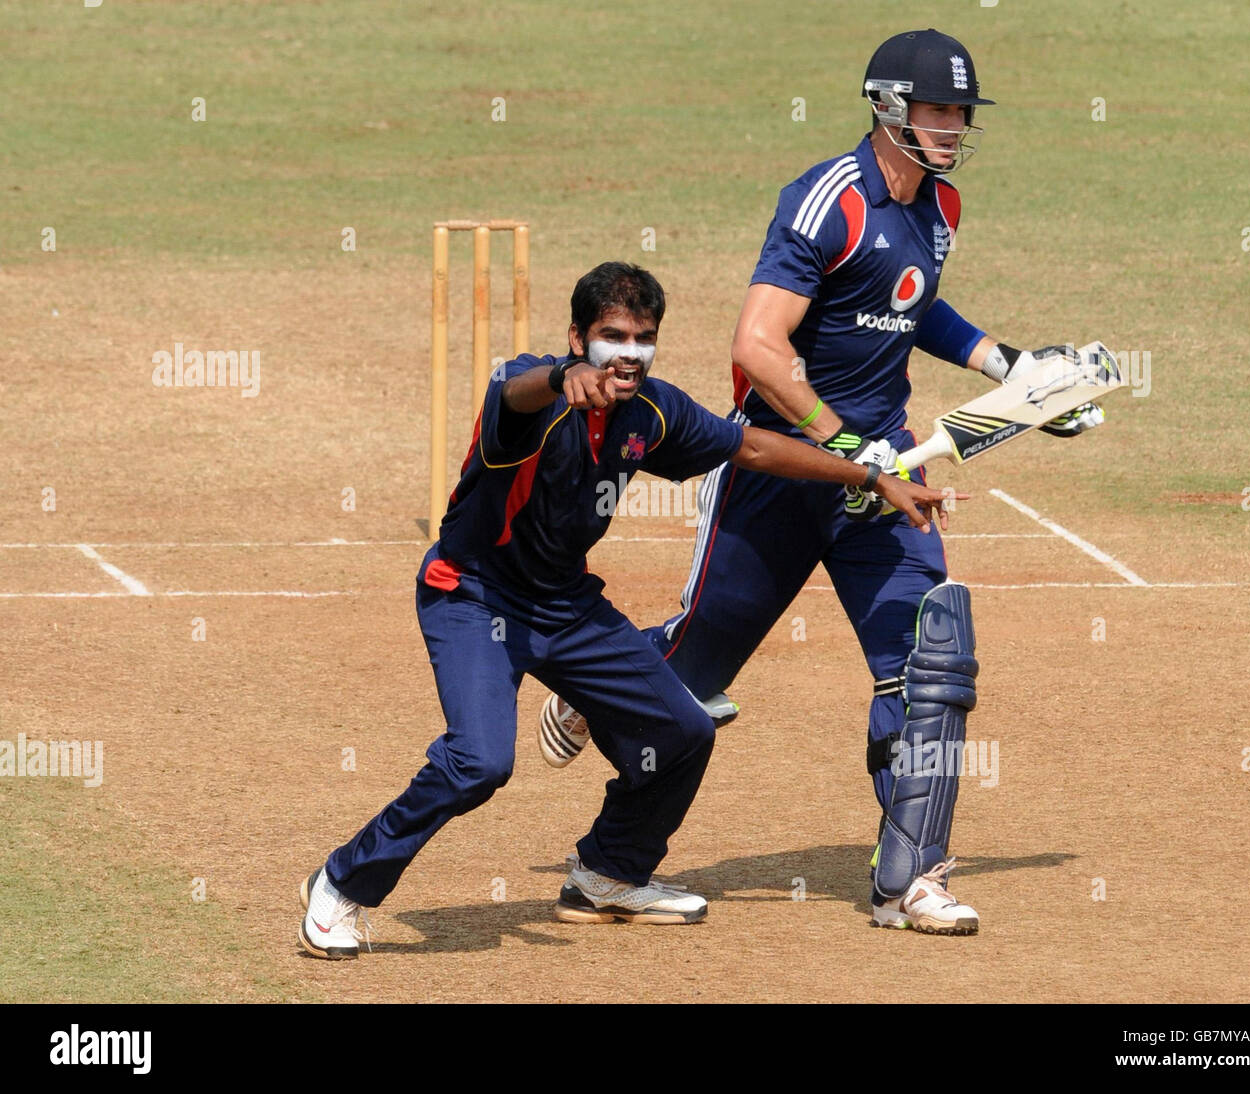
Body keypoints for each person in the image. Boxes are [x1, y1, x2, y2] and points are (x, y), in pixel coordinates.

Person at [536, 30, 1105, 936]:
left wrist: (1016, 372)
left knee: (928, 663)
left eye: (961, 112)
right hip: (780, 466)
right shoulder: (825, 202)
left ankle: (910, 881)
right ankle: (599, 749)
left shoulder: (941, 206)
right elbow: (756, 349)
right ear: (888, 106)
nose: (953, 126)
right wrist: (846, 444)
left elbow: (915, 303)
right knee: (690, 681)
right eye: (937, 109)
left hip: (884, 478)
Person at [297, 261, 957, 959]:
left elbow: (754, 447)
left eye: (643, 337)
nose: (629, 352)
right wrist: (559, 379)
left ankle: (609, 872)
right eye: (612, 336)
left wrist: (873, 477)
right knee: (479, 761)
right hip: (472, 596)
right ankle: (341, 883)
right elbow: (512, 391)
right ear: (578, 336)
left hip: (566, 604)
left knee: (684, 730)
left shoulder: (652, 412)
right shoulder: (535, 398)